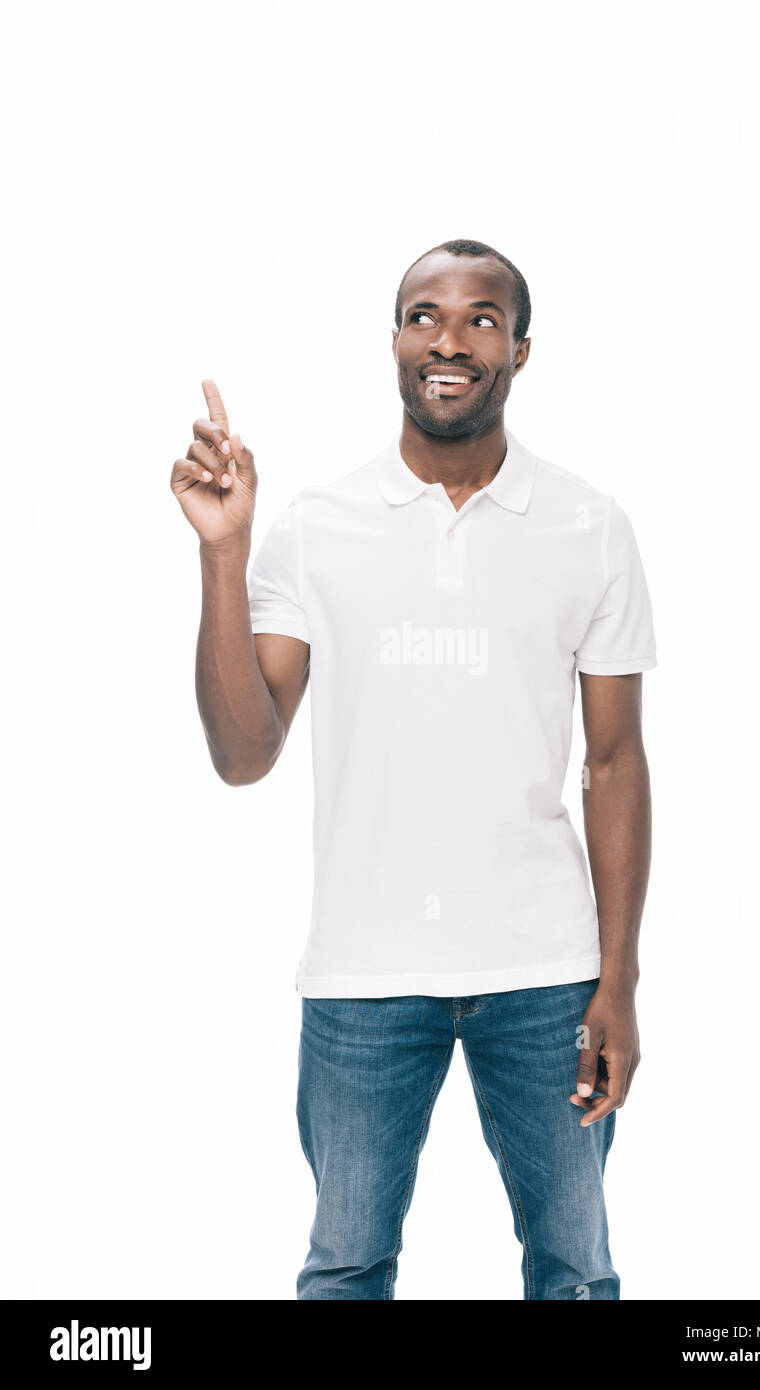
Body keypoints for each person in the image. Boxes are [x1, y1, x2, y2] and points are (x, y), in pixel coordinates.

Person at [170, 239, 657, 1300]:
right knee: (345, 1270)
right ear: (395, 341)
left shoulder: (589, 525)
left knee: (575, 1274)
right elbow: (243, 754)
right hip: (363, 974)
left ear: (520, 351)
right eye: (424, 314)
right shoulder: (316, 525)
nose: (450, 337)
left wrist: (617, 978)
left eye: (482, 318)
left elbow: (614, 764)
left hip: (545, 972)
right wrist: (224, 553)